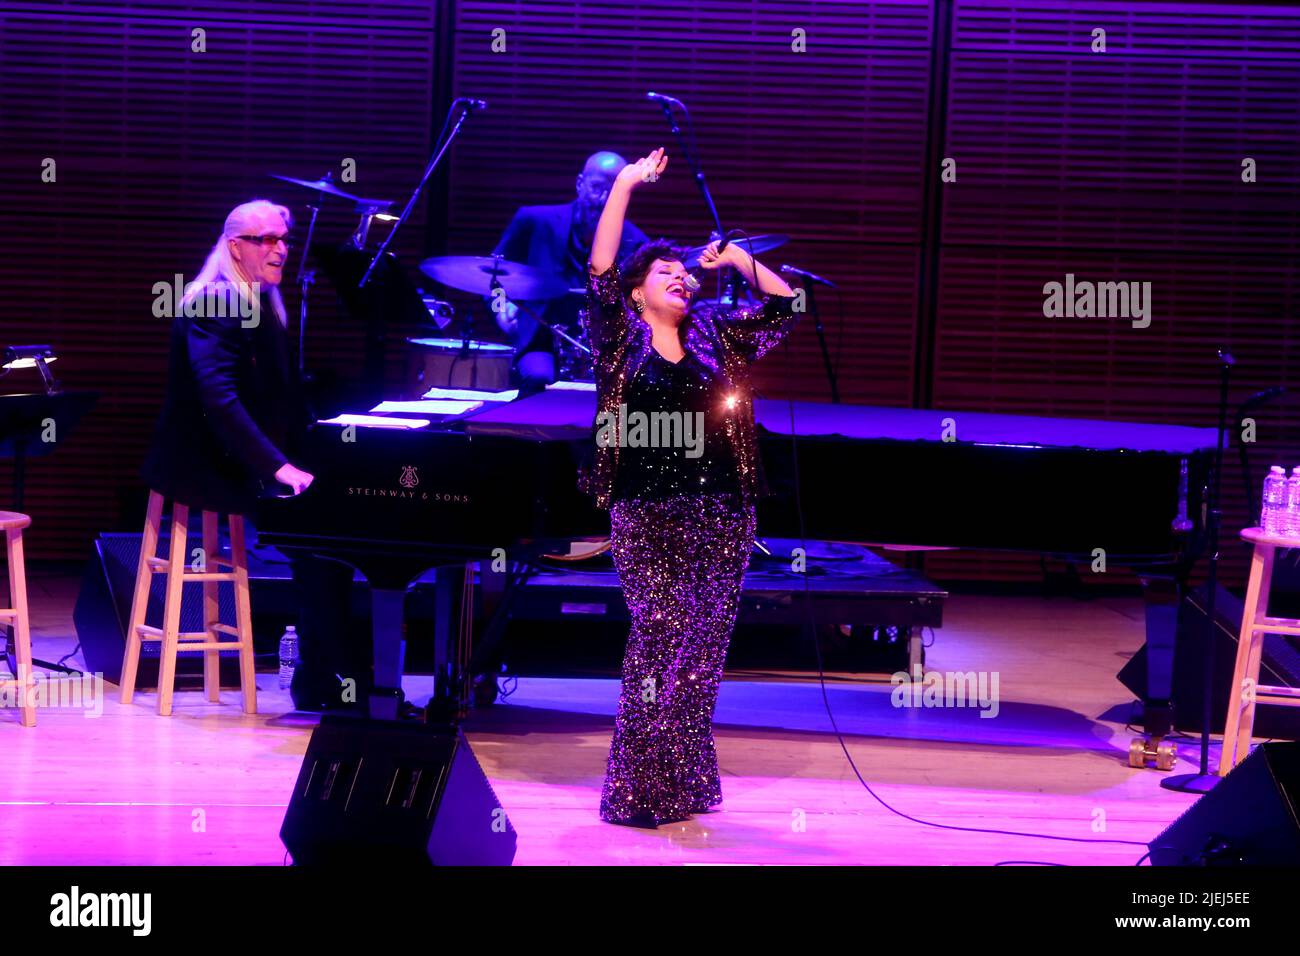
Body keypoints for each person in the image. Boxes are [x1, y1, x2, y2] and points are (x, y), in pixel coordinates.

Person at [583, 148, 798, 827]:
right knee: (658, 632)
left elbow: (787, 305)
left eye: (685, 273)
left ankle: (680, 790)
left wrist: (735, 259)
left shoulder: (715, 338)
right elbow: (598, 270)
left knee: (702, 657)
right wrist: (624, 184)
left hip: (721, 515)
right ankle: (634, 789)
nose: (679, 278)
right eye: (664, 271)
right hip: (646, 512)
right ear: (637, 288)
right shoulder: (618, 337)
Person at [142, 199, 357, 711]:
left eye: (284, 239)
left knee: (334, 529)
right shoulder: (214, 303)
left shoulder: (258, 302)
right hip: (204, 464)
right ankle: (327, 682)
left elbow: (278, 398)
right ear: (235, 246)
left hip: (239, 457)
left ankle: (327, 678)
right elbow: (220, 401)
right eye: (267, 239)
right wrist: (278, 467)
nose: (281, 248)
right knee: (323, 537)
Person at [492, 151, 647, 393]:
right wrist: (501, 309)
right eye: (596, 187)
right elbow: (492, 275)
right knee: (538, 378)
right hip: (540, 341)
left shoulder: (635, 241)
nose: (603, 198)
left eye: (613, 191)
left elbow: (642, 302)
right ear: (579, 184)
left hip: (604, 348)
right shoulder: (534, 220)